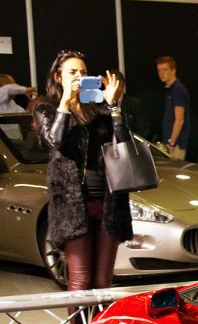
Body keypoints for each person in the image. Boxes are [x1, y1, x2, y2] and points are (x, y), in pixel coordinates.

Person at [33, 50, 130, 301]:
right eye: (72, 72)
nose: (79, 77)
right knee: (80, 281)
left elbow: (123, 143)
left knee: (103, 282)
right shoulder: (46, 110)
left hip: (109, 202)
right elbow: (55, 141)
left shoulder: (99, 111)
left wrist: (114, 106)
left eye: (83, 72)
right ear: (58, 77)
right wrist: (66, 101)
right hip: (73, 205)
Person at [156, 54, 189, 160]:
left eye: (165, 70)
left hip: (176, 145)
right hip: (172, 143)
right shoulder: (171, 90)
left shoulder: (177, 90)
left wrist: (172, 143)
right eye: (159, 70)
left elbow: (179, 120)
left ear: (173, 71)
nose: (161, 73)